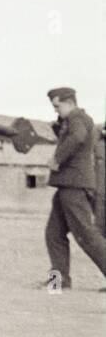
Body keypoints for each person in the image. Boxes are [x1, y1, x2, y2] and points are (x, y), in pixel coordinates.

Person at [40, 87, 105, 289]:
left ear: (69, 102)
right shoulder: (72, 120)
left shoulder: (79, 118)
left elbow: (76, 138)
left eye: (57, 106)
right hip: (66, 186)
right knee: (53, 233)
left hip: (74, 187)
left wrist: (57, 159)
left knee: (86, 235)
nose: (55, 110)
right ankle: (59, 283)